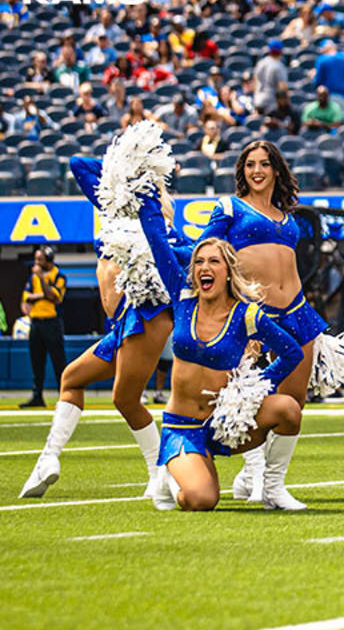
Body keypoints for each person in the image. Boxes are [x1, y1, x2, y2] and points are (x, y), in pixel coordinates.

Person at [20, 158, 192, 501]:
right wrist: (127, 171)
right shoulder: (117, 212)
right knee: (72, 378)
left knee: (125, 398)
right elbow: (79, 165)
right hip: (120, 325)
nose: (160, 196)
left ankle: (164, 473)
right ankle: (48, 459)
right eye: (153, 190)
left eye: (161, 193)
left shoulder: (166, 232)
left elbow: (192, 258)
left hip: (147, 314)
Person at [135, 189, 305, 511]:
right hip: (182, 426)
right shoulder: (183, 298)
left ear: (228, 272)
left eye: (214, 261)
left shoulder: (247, 314)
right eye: (199, 261)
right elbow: (158, 242)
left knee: (288, 409)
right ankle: (170, 475)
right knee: (201, 500)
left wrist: (252, 389)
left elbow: (292, 353)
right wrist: (145, 198)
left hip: (225, 423)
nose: (204, 267)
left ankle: (273, 488)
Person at [199, 140, 333, 503]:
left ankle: (263, 478)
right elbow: (205, 254)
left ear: (276, 170)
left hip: (297, 310)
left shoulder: (288, 215)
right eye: (249, 165)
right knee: (251, 395)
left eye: (264, 164)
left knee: (294, 402)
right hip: (254, 314)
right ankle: (257, 472)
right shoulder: (229, 207)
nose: (256, 171)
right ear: (242, 172)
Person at [19, 246, 66, 408]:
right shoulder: (32, 277)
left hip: (52, 323)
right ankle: (37, 396)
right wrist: (40, 296)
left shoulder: (58, 276)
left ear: (49, 260)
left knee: (58, 362)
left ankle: (64, 398)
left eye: (40, 259)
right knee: (36, 362)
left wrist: (41, 283)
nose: (37, 263)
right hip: (36, 323)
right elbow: (26, 297)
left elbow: (55, 297)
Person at [252, 39, 287, 114]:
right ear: (281, 51)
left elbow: (255, 82)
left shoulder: (260, 63)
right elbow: (282, 88)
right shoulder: (279, 66)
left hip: (258, 100)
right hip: (271, 103)